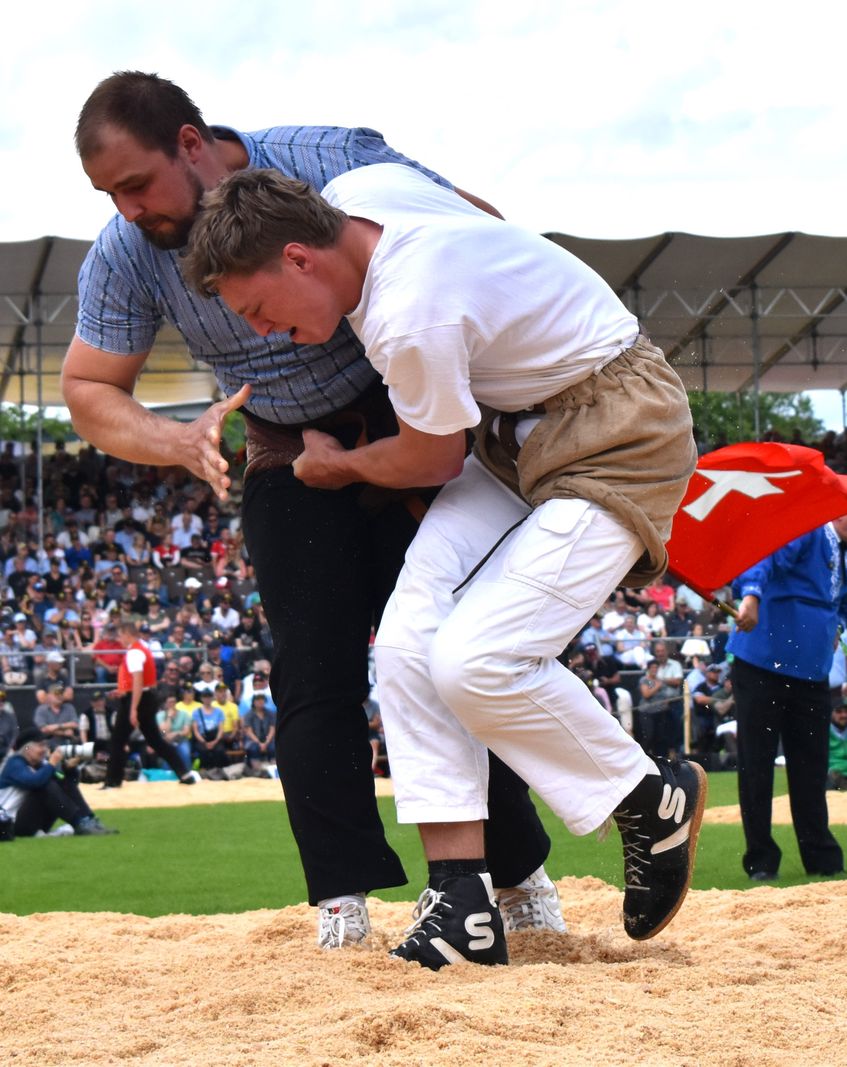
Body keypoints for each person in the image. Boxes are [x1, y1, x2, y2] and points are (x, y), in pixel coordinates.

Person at [62, 71, 564, 948]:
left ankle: (514, 875)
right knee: (310, 672)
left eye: (135, 184)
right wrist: (176, 439)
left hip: (418, 421)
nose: (129, 210)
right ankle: (341, 899)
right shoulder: (122, 253)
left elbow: (475, 230)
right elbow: (88, 386)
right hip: (287, 448)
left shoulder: (329, 161)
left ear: (190, 142)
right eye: (110, 195)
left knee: (451, 656)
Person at [181, 161, 706, 970]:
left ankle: (647, 797)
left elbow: (428, 460)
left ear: (297, 258)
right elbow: (476, 207)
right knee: (402, 646)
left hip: (617, 431)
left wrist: (333, 466)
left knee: (477, 660)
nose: (260, 331)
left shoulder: (408, 313)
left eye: (257, 308)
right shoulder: (360, 193)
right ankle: (460, 897)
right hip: (518, 437)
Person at [728, 519, 847, 881]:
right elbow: (767, 556)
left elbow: (841, 604)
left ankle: (821, 855)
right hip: (764, 661)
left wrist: (836, 629)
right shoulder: (807, 529)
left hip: (812, 668)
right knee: (757, 763)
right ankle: (761, 858)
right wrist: (750, 595)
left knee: (812, 765)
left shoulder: (842, 554)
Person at [103, 620, 196, 788]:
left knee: (117, 740)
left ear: (128, 634)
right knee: (155, 740)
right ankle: (184, 772)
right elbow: (139, 681)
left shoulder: (134, 653)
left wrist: (132, 709)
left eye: (121, 635)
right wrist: (122, 691)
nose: (119, 639)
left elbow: (138, 681)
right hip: (145, 697)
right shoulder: (142, 649)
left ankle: (112, 781)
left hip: (137, 698)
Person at [0, 727, 116, 837]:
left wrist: (68, 768)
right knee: (46, 785)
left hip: (35, 821)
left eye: (45, 745)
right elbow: (35, 782)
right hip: (10, 824)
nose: (45, 749)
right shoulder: (14, 764)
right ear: (26, 748)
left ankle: (88, 820)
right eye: (41, 745)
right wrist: (52, 763)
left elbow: (66, 784)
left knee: (59, 782)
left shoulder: (41, 764)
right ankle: (79, 824)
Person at [242, 692, 276, 772]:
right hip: (253, 739)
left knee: (274, 747)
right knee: (253, 748)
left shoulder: (270, 713)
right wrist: (259, 743)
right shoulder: (248, 714)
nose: (261, 702)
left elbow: (272, 729)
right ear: (254, 702)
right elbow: (248, 731)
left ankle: (273, 769)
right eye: (258, 700)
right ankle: (257, 770)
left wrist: (266, 742)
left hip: (268, 739)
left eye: (262, 700)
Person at [827, 703, 847, 791]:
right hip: (833, 773)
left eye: (846, 712)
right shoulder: (823, 732)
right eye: (839, 712)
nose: (844, 715)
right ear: (831, 713)